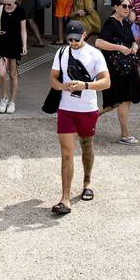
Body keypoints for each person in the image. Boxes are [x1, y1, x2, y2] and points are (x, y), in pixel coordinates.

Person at [49, 20, 110, 215]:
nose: (73, 43)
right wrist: (62, 87)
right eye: (70, 39)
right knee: (66, 153)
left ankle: (87, 182)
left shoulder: (95, 54)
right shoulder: (61, 52)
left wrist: (85, 85)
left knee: (86, 147)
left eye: (76, 39)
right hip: (65, 108)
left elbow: (106, 82)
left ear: (84, 34)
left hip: (87, 108)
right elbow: (53, 78)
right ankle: (65, 198)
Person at [96, 0, 140, 144]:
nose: (127, 9)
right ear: (115, 7)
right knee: (123, 101)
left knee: (115, 103)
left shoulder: (124, 23)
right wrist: (119, 48)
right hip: (117, 69)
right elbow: (99, 42)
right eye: (124, 6)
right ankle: (125, 135)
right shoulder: (111, 23)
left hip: (126, 68)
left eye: (129, 7)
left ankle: (87, 118)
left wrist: (134, 46)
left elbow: (131, 41)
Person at [0, 0, 28, 113]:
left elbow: (23, 30)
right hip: (2, 43)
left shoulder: (20, 11)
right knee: (2, 74)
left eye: (9, 4)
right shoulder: (0, 9)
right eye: (4, 3)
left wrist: (24, 45)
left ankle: (12, 101)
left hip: (15, 44)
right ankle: (4, 98)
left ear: (15, 1)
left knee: (13, 75)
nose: (6, 6)